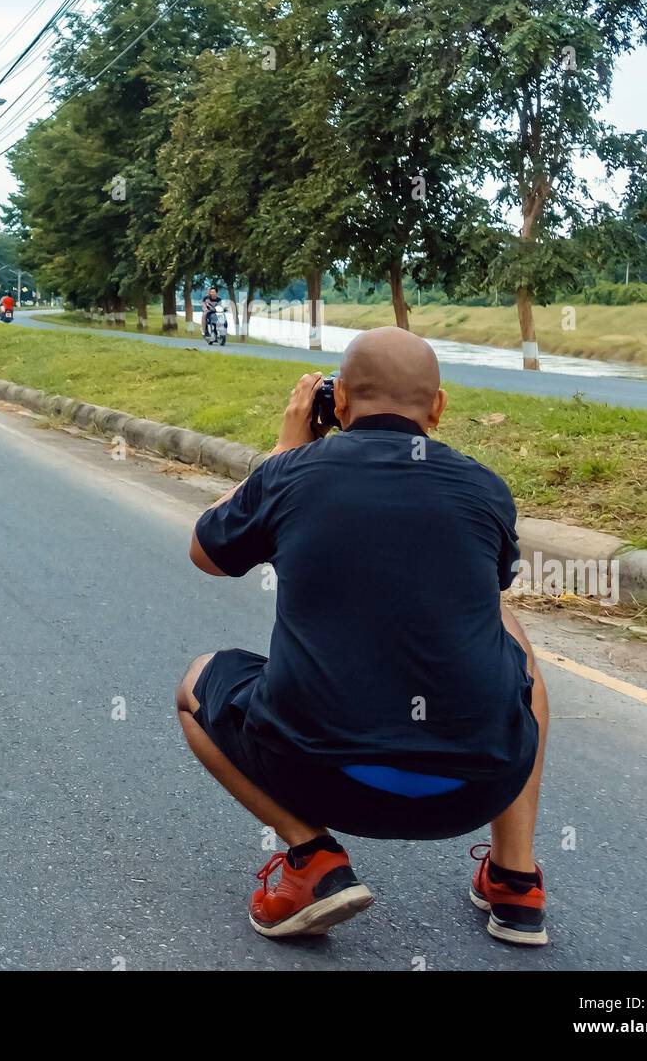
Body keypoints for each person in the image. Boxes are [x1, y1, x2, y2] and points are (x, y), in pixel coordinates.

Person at [178, 326, 548, 945]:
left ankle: (313, 860)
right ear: (438, 408)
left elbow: (206, 553)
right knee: (506, 628)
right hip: (475, 787)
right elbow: (493, 584)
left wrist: (282, 450)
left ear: (338, 402)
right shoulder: (485, 488)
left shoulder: (291, 474)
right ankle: (515, 879)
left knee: (196, 683)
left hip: (319, 777)